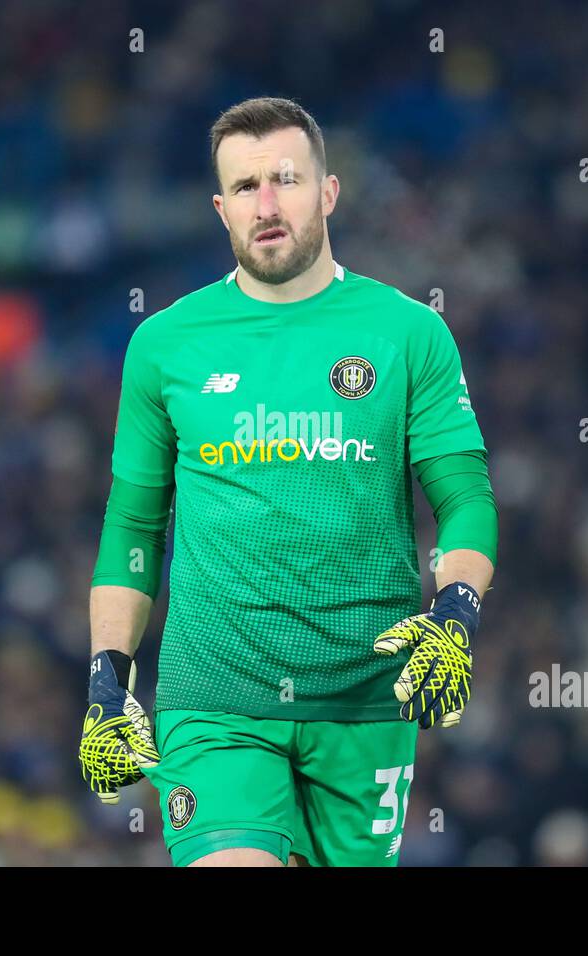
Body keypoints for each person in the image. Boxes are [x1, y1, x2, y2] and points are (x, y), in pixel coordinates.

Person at [80, 96, 498, 867]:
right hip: (214, 703)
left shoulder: (409, 333)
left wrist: (457, 613)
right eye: (245, 188)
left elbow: (465, 497)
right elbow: (133, 529)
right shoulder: (165, 345)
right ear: (220, 208)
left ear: (329, 192)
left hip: (366, 701)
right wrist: (109, 682)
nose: (267, 205)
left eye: (286, 180)